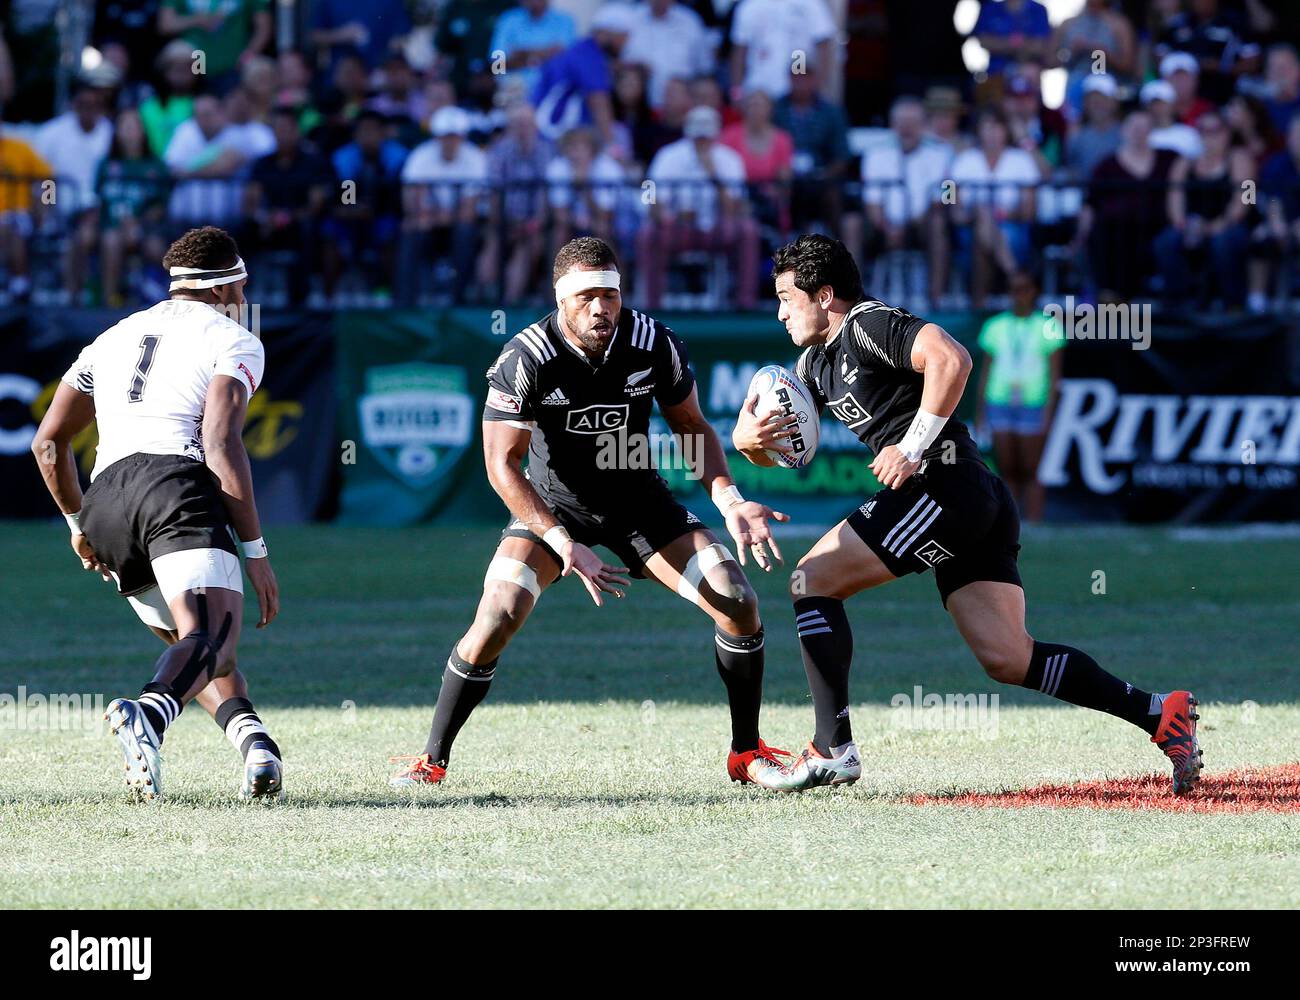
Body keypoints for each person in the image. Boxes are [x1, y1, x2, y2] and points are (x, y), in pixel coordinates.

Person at [731, 234, 1203, 795]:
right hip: (975, 498)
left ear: (825, 295)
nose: (780, 312)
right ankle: (1159, 713)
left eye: (787, 298)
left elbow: (953, 357)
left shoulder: (867, 324)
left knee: (812, 582)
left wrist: (911, 444)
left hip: (942, 488)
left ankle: (833, 747)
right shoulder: (814, 364)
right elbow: (774, 445)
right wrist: (745, 438)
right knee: (1008, 657)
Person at [388, 236, 796, 791]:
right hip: (556, 508)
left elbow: (692, 427)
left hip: (641, 506)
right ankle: (431, 759)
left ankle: (746, 753)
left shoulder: (653, 342)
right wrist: (561, 542)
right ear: (561, 300)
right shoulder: (526, 357)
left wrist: (728, 500)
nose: (601, 307)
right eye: (586, 297)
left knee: (738, 600)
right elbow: (501, 466)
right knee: (499, 613)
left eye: (610, 294)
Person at [29, 226, 282, 801]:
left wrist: (77, 524)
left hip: (106, 502)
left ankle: (256, 747)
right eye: (242, 289)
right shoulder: (233, 339)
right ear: (227, 288)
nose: (244, 301)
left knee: (196, 649)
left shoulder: (112, 335)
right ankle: (148, 714)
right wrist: (257, 553)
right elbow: (220, 443)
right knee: (211, 638)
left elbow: (48, 441)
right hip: (174, 486)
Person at [637, 105, 760, 310]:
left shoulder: (729, 159)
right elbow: (649, 195)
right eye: (698, 137)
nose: (702, 142)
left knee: (748, 231)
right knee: (647, 234)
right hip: (677, 228)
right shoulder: (668, 155)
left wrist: (713, 175)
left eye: (706, 137)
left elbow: (734, 207)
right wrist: (667, 215)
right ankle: (652, 307)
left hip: (718, 228)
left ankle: (745, 304)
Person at [974, 271, 1062, 523]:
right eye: (1014, 289)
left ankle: (1034, 521)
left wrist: (1049, 411)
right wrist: (981, 409)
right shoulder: (995, 325)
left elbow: (1055, 376)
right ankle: (1010, 523)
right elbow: (985, 371)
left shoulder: (1049, 325)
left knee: (1031, 468)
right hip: (999, 401)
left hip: (1033, 402)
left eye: (1024, 289)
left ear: (1034, 291)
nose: (1019, 295)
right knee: (1007, 468)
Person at [1154, 109, 1255, 308]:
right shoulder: (1184, 163)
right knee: (1166, 241)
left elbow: (1245, 200)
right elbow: (1174, 199)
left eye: (1215, 130)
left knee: (1224, 242)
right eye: (1203, 130)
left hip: (1230, 224)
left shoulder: (1242, 160)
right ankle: (1177, 304)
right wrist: (1184, 225)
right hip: (1191, 224)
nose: (1209, 136)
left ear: (1227, 133)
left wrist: (1212, 227)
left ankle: (1233, 305)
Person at [1078, 108, 1178, 301]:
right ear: (1123, 130)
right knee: (1103, 233)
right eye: (1134, 127)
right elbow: (1090, 203)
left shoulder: (1170, 159)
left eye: (1144, 128)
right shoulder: (1105, 165)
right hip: (1114, 234)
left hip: (1157, 228)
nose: (1139, 133)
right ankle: (1110, 295)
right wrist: (1081, 234)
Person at [861, 96, 953, 306]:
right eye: (901, 123)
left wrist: (911, 225)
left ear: (924, 126)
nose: (907, 129)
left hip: (923, 223)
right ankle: (854, 303)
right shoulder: (875, 155)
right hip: (883, 226)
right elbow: (872, 202)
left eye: (913, 123)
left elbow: (946, 198)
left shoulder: (942, 154)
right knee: (852, 224)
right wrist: (887, 227)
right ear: (892, 125)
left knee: (938, 223)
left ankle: (935, 300)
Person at [949, 108, 1039, 307]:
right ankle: (1015, 275)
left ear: (1006, 131)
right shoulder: (964, 159)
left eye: (997, 127)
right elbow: (948, 192)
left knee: (982, 236)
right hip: (968, 224)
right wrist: (956, 211)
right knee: (981, 215)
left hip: (1011, 225)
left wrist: (1005, 214)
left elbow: (1029, 209)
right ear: (978, 130)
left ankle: (978, 304)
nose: (991, 132)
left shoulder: (1021, 160)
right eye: (986, 127)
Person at [398, 106, 488, 304]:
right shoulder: (420, 157)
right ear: (436, 137)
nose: (449, 142)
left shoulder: (475, 158)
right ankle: (406, 300)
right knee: (411, 230)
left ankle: (460, 298)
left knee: (465, 232)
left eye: (454, 136)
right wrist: (426, 216)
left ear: (463, 137)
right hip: (428, 223)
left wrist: (432, 216)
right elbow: (411, 204)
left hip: (455, 224)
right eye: (444, 136)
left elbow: (468, 212)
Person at [95, 108, 170, 306]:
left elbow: (161, 207)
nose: (129, 131)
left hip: (146, 228)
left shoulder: (156, 166)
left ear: (143, 131)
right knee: (111, 240)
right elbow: (97, 201)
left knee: (157, 249)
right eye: (124, 126)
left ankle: (160, 300)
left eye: (134, 126)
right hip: (110, 226)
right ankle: (109, 300)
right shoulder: (106, 165)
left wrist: (139, 223)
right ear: (117, 132)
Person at [728, 0, 836, 101]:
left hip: (798, 82)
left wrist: (819, 87)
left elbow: (824, 46)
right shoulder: (750, 5)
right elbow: (739, 51)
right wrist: (737, 92)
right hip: (759, 87)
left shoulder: (811, 4)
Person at [621, 0, 713, 108]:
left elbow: (704, 66)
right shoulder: (630, 19)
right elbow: (620, 61)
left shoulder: (690, 21)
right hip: (640, 107)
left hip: (683, 106)